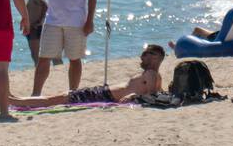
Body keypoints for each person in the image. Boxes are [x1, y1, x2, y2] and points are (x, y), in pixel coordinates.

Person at [10, 45, 164, 108]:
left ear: (157, 58)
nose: (143, 57)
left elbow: (148, 94)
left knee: (58, 98)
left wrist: (132, 95)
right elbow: (155, 93)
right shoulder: (157, 76)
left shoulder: (150, 74)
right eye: (144, 54)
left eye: (148, 55)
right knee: (60, 97)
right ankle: (14, 99)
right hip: (103, 93)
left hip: (103, 95)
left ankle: (13, 100)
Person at [22, 0, 57, 66]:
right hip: (33, 26)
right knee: (39, 50)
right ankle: (42, 66)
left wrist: (39, 21)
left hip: (34, 27)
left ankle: (38, 68)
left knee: (35, 52)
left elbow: (45, 6)